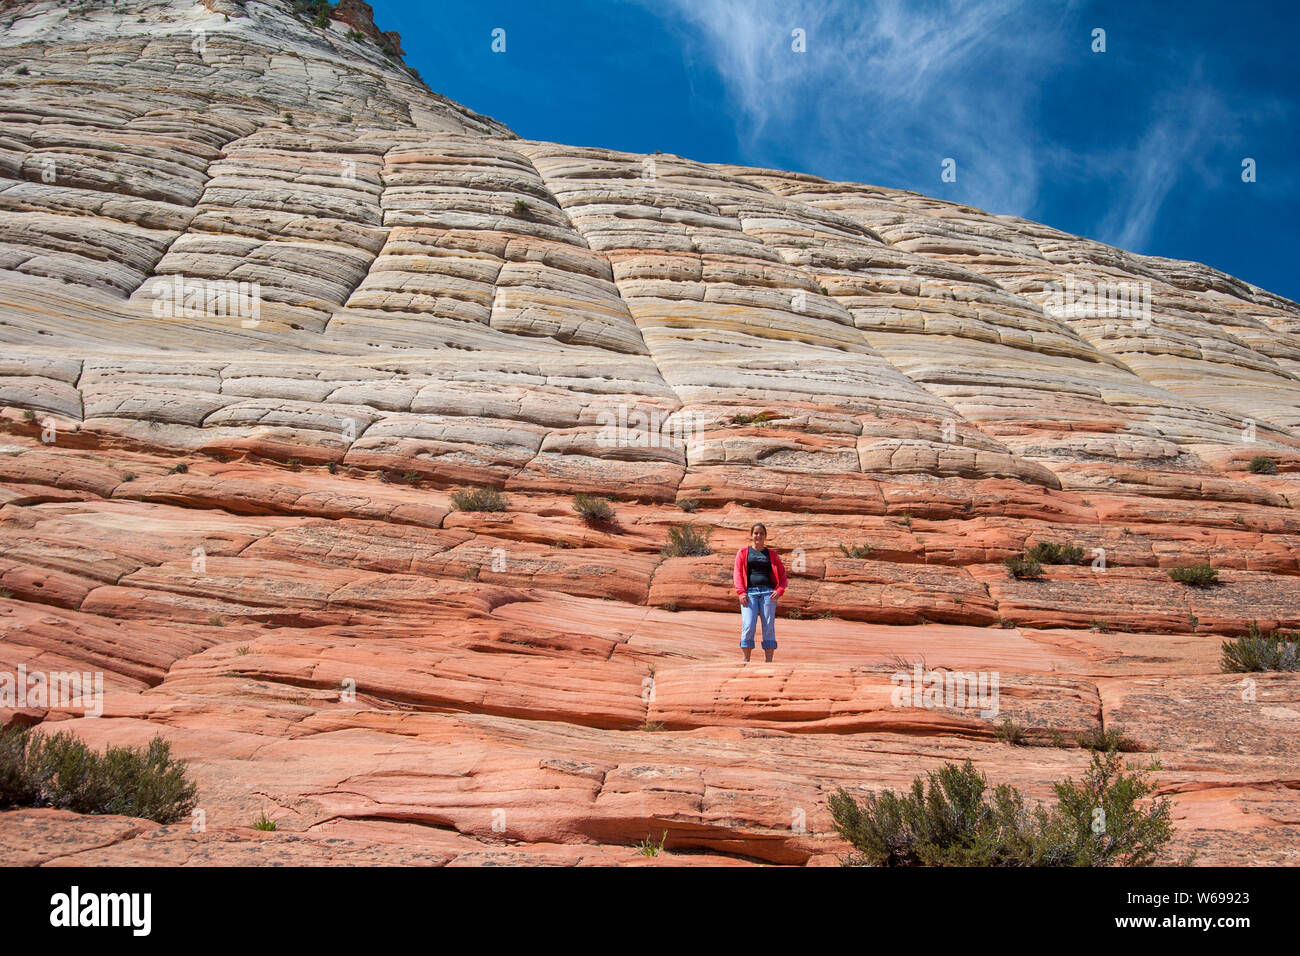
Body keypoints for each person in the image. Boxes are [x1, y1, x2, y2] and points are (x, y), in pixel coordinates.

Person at [733, 523, 787, 662]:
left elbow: (782, 575)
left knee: (768, 626)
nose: (758, 536)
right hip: (749, 593)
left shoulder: (772, 554)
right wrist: (741, 592)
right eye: (756, 533)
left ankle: (768, 661)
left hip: (768, 593)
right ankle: (746, 660)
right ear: (751, 535)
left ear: (765, 536)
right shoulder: (743, 552)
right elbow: (738, 573)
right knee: (748, 624)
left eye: (761, 533)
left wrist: (779, 590)